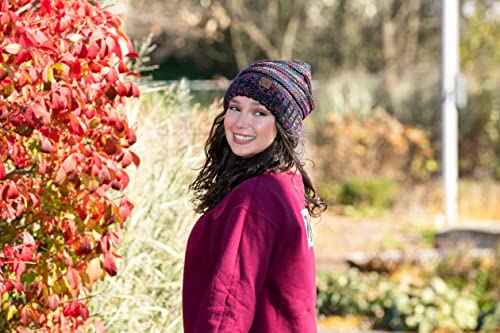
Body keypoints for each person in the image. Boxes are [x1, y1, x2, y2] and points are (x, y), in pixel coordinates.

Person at [183, 59, 327, 333]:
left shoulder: (256, 197)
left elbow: (227, 306)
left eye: (259, 113)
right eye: (235, 108)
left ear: (283, 126)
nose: (241, 123)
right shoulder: (287, 184)